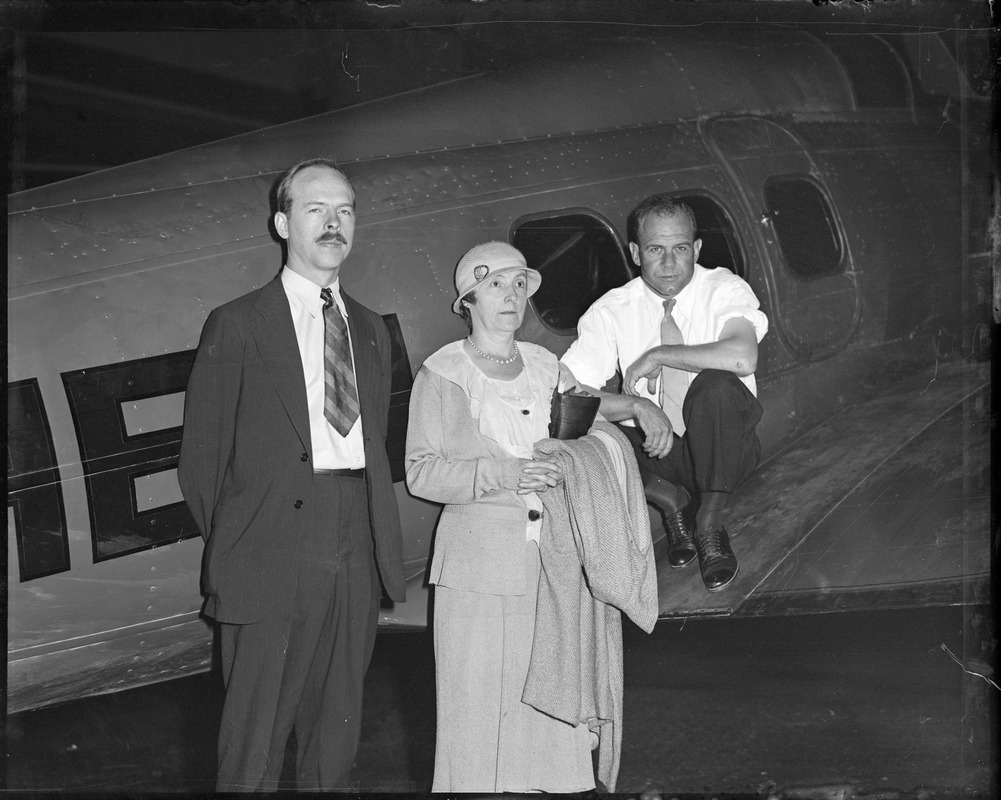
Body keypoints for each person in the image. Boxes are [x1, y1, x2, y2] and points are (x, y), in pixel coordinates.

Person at [178, 157, 405, 791]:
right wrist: (249, 538)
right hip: (270, 546)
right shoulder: (238, 323)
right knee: (253, 745)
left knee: (335, 739)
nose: (334, 224)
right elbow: (201, 463)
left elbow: (372, 439)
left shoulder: (369, 327)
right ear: (282, 223)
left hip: (354, 539)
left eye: (345, 210)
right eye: (315, 210)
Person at [405, 242, 598, 793]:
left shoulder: (547, 367)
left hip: (552, 566)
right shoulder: (441, 374)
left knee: (550, 720)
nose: (511, 296)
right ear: (468, 299)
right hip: (479, 570)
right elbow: (421, 473)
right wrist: (504, 475)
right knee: (476, 723)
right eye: (495, 285)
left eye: (520, 285)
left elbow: (574, 449)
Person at [561, 194, 768, 592]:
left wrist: (661, 355)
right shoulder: (611, 309)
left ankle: (708, 521)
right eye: (656, 249)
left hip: (729, 450)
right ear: (636, 253)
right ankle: (670, 500)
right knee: (586, 425)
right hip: (663, 452)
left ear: (698, 250)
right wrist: (636, 406)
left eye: (681, 249)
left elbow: (743, 358)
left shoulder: (723, 288)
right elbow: (568, 392)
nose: (670, 264)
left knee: (716, 383)